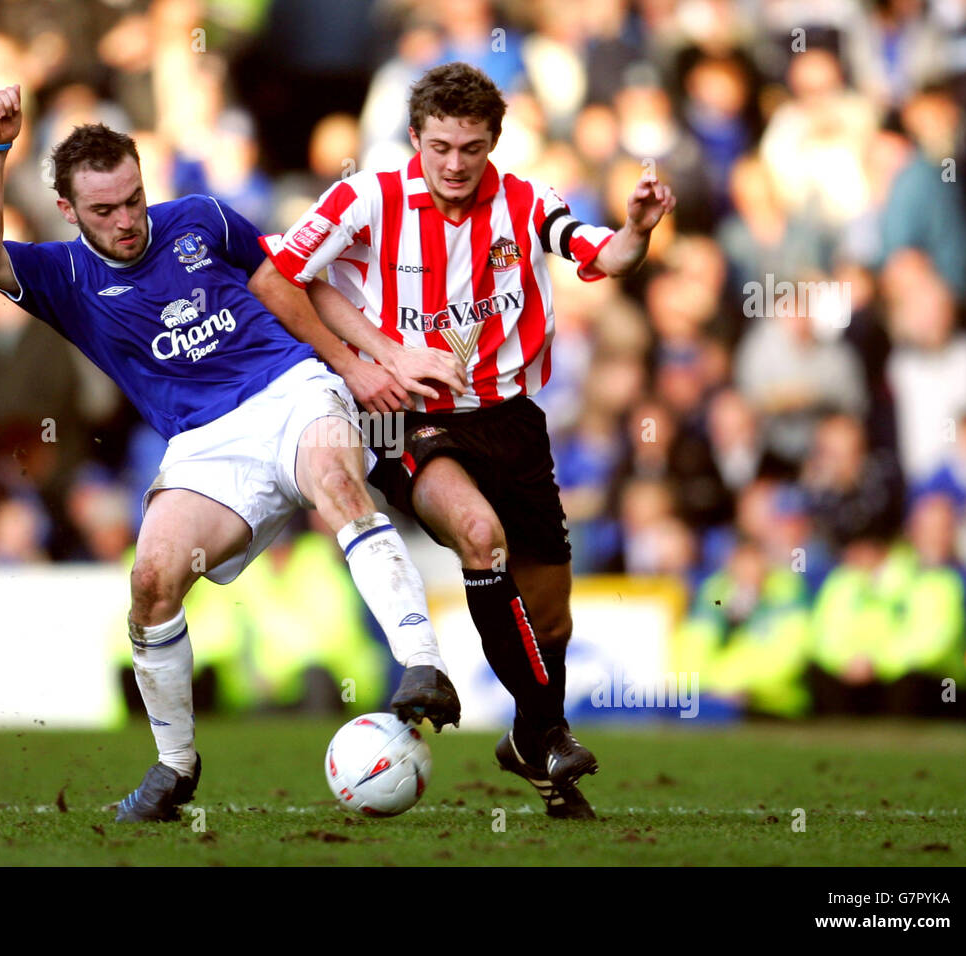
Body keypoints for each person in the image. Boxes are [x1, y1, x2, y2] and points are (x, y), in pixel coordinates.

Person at [0, 86, 468, 822]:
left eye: (134, 199)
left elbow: (288, 288)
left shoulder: (201, 219)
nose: (127, 220)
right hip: (203, 445)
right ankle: (174, 767)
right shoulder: (65, 276)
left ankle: (424, 664)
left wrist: (353, 366)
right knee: (152, 581)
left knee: (336, 479)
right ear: (70, 212)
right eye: (104, 211)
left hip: (290, 388)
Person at [257, 62, 676, 819]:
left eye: (472, 148)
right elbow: (277, 277)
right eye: (441, 146)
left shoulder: (525, 202)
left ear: (493, 143)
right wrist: (369, 359)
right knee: (480, 535)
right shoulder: (365, 198)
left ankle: (529, 745)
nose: (455, 165)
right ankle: (549, 734)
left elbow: (603, 256)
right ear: (414, 136)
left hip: (510, 418)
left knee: (551, 619)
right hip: (405, 413)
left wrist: (639, 229)